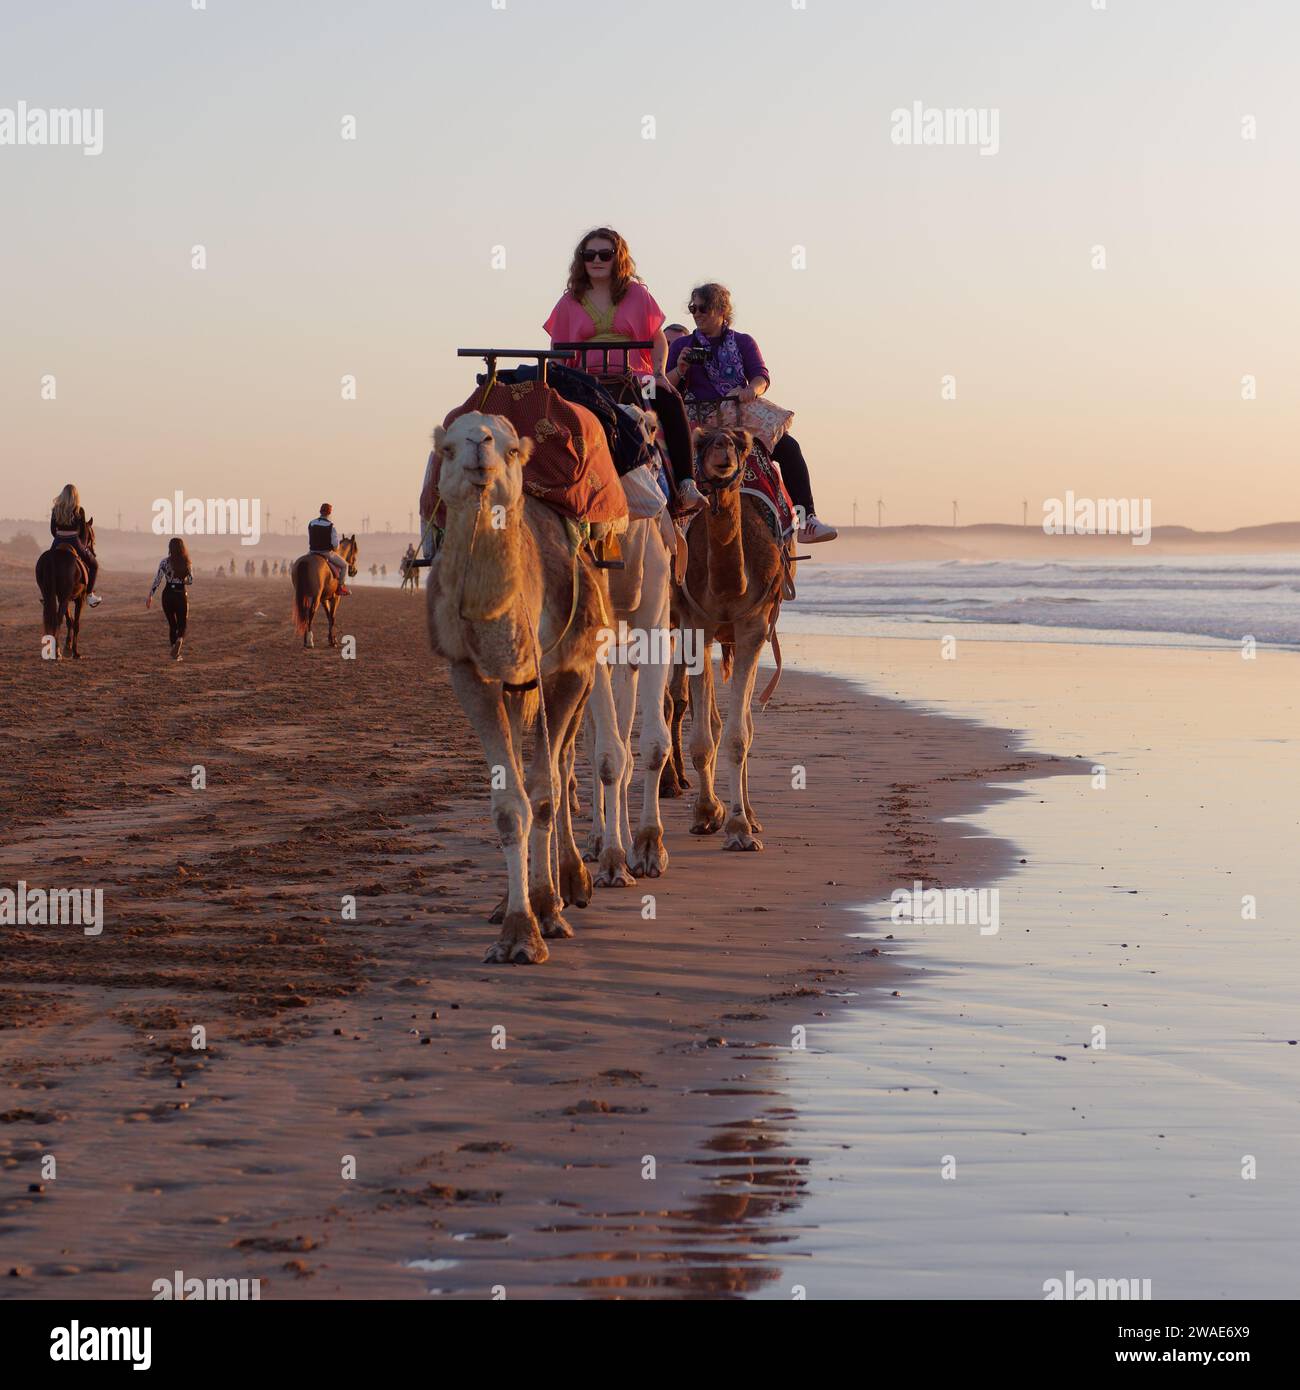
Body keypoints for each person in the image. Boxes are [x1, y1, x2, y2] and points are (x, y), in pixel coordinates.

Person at [544, 228, 706, 512]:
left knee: (669, 399)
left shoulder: (637, 295)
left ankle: (685, 483)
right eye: (589, 254)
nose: (596, 260)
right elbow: (556, 349)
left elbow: (657, 339)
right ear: (581, 259)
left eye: (604, 254)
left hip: (635, 377)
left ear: (617, 257)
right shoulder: (570, 300)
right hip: (585, 380)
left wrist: (658, 373)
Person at [665, 283, 838, 543]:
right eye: (693, 308)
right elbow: (665, 385)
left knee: (790, 448)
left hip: (738, 416)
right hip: (696, 419)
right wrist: (680, 369)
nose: (697, 314)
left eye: (704, 308)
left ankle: (807, 520)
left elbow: (761, 376)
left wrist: (750, 390)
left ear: (722, 310)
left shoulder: (743, 342)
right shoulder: (681, 346)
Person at [49, 484, 102, 605]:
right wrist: (81, 546)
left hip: (58, 540)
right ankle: (89, 595)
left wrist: (59, 538)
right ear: (75, 496)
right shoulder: (79, 510)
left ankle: (47, 594)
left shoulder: (55, 509)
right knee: (94, 565)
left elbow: (52, 530)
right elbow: (83, 532)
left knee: (49, 564)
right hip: (74, 541)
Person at [146, 536, 194, 661]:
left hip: (167, 594)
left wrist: (150, 595)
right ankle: (179, 641)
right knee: (182, 623)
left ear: (170, 548)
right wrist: (182, 579)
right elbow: (191, 581)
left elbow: (158, 579)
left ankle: (174, 649)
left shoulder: (164, 562)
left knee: (172, 624)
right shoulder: (187, 562)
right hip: (180, 593)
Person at [307, 503, 350, 595]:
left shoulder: (311, 523)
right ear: (329, 513)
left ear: (320, 511)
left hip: (312, 551)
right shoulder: (331, 526)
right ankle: (340, 587)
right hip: (325, 552)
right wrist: (334, 549)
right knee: (345, 565)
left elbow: (310, 537)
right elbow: (335, 545)